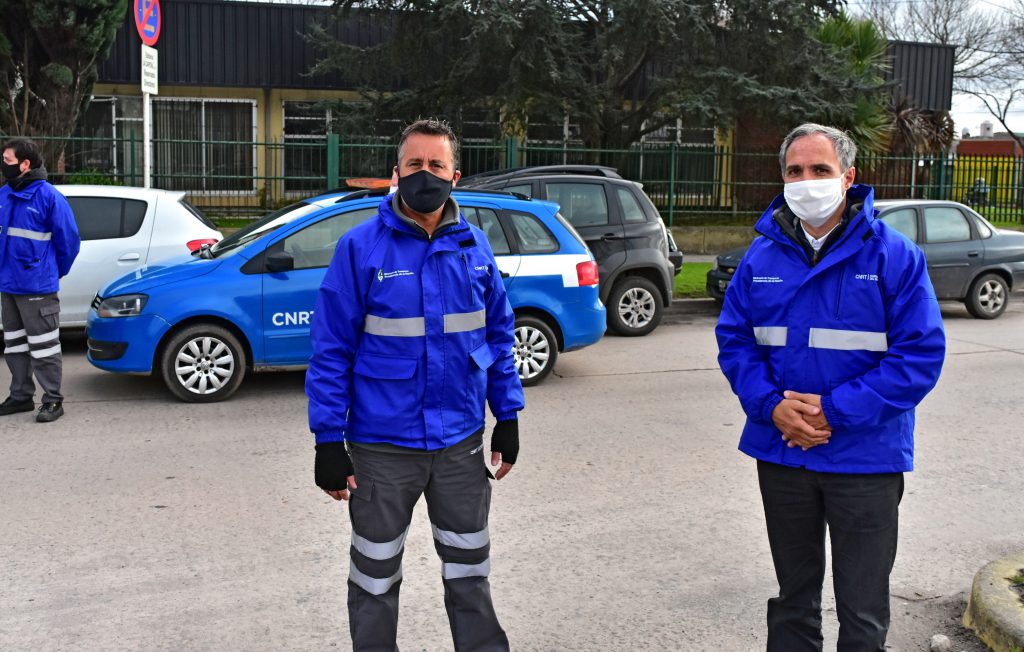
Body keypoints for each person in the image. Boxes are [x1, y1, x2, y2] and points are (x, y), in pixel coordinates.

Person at [715, 123, 946, 651]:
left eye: (820, 169)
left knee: (862, 611)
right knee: (793, 602)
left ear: (848, 177)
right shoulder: (760, 257)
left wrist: (835, 411)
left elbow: (919, 356)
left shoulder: (893, 255)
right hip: (783, 451)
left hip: (865, 458)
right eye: (794, 171)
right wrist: (770, 406)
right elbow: (735, 341)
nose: (806, 181)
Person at [306, 118, 524, 651]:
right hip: (382, 449)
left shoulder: (475, 247)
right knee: (374, 578)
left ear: (455, 176)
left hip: (460, 443)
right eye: (415, 164)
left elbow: (498, 337)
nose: (425, 174)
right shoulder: (360, 248)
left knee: (470, 570)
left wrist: (508, 416)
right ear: (396, 172)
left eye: (436, 165)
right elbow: (331, 351)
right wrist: (328, 440)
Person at [0, 138, 80, 423]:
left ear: (25, 164)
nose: (3, 165)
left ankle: (53, 400)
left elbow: (69, 242)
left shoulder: (49, 197)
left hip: (37, 286)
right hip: (8, 285)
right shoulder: (4, 194)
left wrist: (51, 273)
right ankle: (21, 396)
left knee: (44, 346)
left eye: (7, 160)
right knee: (15, 345)